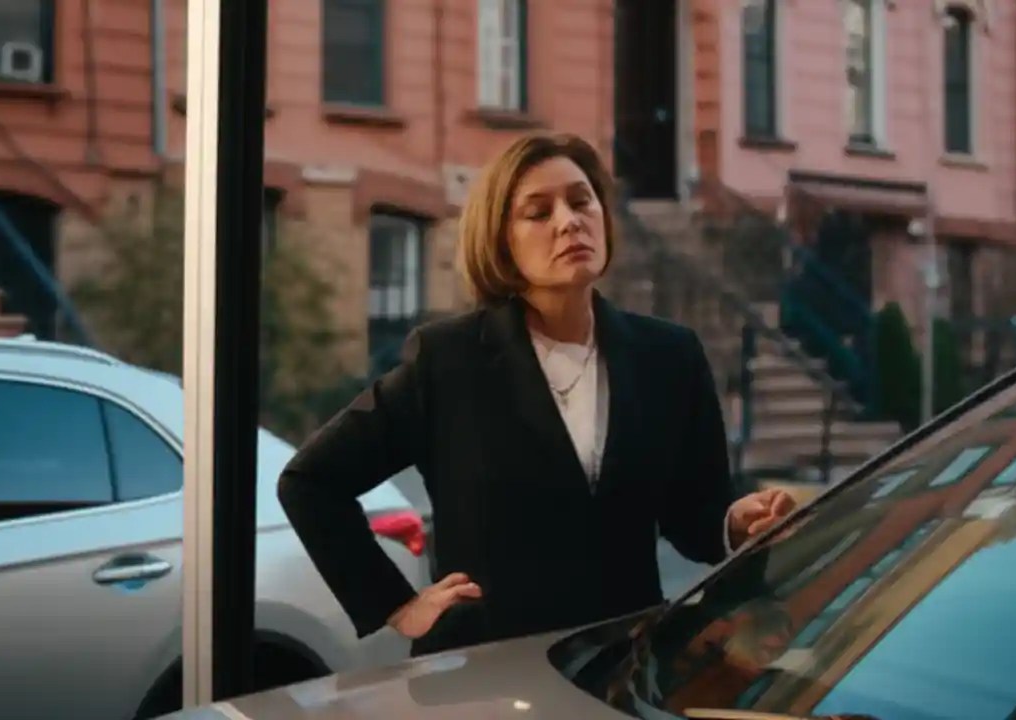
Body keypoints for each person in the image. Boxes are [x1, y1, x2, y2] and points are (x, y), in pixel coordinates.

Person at [277, 132, 797, 657]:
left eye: (580, 200)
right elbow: (311, 482)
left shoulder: (670, 355)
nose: (568, 222)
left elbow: (694, 518)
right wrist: (397, 605)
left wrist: (734, 522)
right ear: (501, 240)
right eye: (538, 212)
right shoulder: (449, 360)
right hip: (487, 672)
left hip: (621, 669)